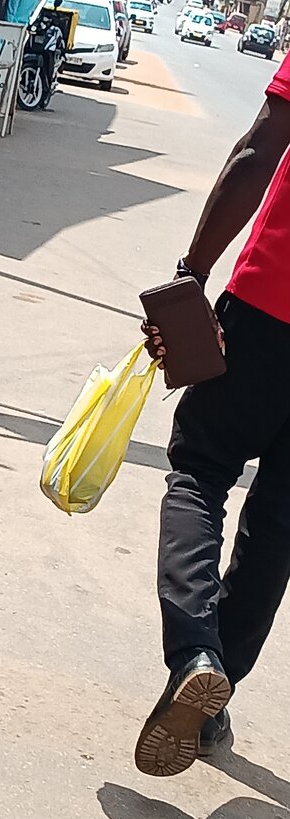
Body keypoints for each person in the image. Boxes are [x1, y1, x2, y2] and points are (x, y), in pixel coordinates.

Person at [134, 50, 290, 776]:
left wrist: (192, 273)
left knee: (200, 468)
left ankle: (197, 654)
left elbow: (260, 150)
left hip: (267, 308)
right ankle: (212, 698)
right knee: (279, 524)